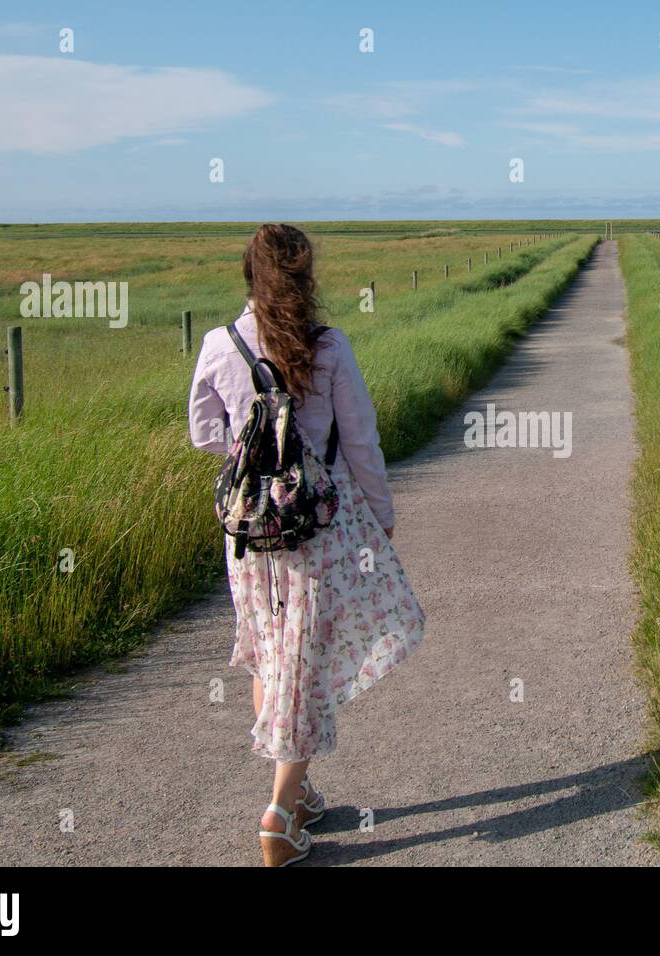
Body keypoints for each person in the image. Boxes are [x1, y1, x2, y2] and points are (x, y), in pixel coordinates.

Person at [188, 223, 425, 866]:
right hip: (319, 526)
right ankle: (277, 817)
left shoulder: (220, 343)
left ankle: (301, 791)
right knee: (305, 667)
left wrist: (254, 450)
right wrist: (381, 513)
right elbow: (361, 440)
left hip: (251, 528)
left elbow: (203, 431)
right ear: (305, 277)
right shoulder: (328, 346)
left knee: (271, 656)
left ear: (249, 275)